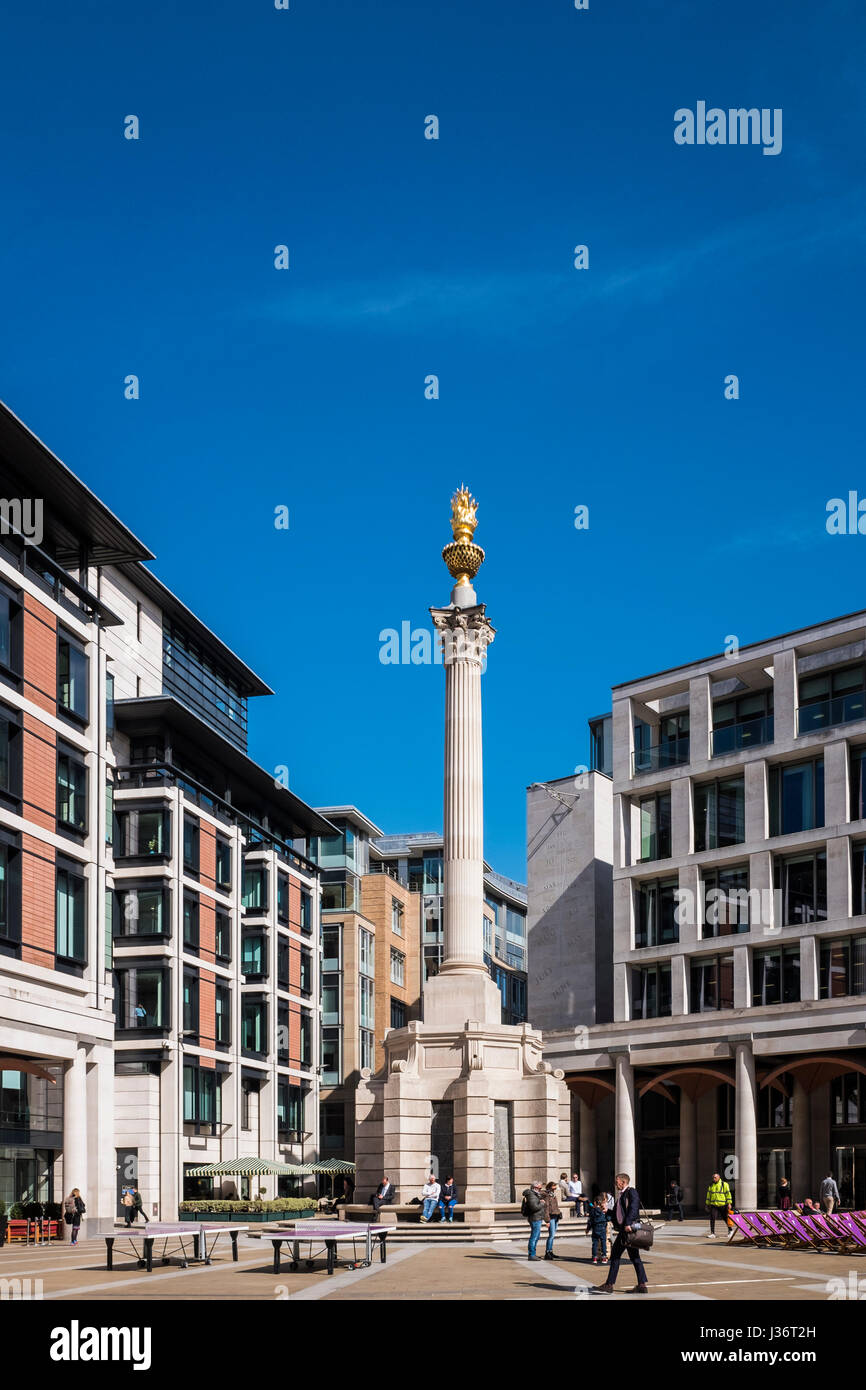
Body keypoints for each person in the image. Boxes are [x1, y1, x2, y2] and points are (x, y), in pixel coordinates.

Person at [593, 1173, 648, 1294]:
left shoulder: (631, 1192)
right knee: (633, 1257)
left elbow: (633, 1208)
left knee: (617, 1256)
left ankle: (610, 1284)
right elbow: (619, 1213)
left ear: (623, 1182)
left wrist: (628, 1223)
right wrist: (608, 1211)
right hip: (625, 1230)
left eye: (616, 1181)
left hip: (628, 1230)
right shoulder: (622, 1195)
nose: (615, 1183)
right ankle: (642, 1285)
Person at [586, 1192, 613, 1264]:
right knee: (603, 1243)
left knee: (595, 1243)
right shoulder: (603, 1211)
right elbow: (608, 1218)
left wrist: (588, 1229)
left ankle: (594, 1257)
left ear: (595, 1203)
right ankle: (604, 1257)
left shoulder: (592, 1211)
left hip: (595, 1229)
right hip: (603, 1229)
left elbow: (590, 1221)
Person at [521, 1181, 545, 1261]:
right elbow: (534, 1207)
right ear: (535, 1187)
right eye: (540, 1188)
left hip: (537, 1218)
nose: (540, 1190)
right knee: (534, 1237)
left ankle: (533, 1254)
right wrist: (542, 1203)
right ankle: (531, 1255)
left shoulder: (535, 1194)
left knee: (536, 1236)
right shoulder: (531, 1195)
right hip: (535, 1218)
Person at [705, 1172, 732, 1237]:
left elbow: (728, 1194)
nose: (714, 1179)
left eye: (715, 1177)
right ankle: (712, 1233)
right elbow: (708, 1195)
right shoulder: (711, 1185)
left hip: (723, 1205)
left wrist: (729, 1203)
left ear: (719, 1178)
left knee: (725, 1218)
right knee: (712, 1218)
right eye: (713, 1177)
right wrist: (707, 1204)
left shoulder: (724, 1184)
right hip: (714, 1205)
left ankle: (730, 1230)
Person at [542, 1181, 561, 1260]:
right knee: (551, 1235)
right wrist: (547, 1221)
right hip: (551, 1217)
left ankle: (550, 1251)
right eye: (554, 1187)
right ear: (550, 1187)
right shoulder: (547, 1195)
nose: (555, 1188)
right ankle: (547, 1252)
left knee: (553, 1236)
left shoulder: (553, 1195)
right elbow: (546, 1209)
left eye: (555, 1187)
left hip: (556, 1216)